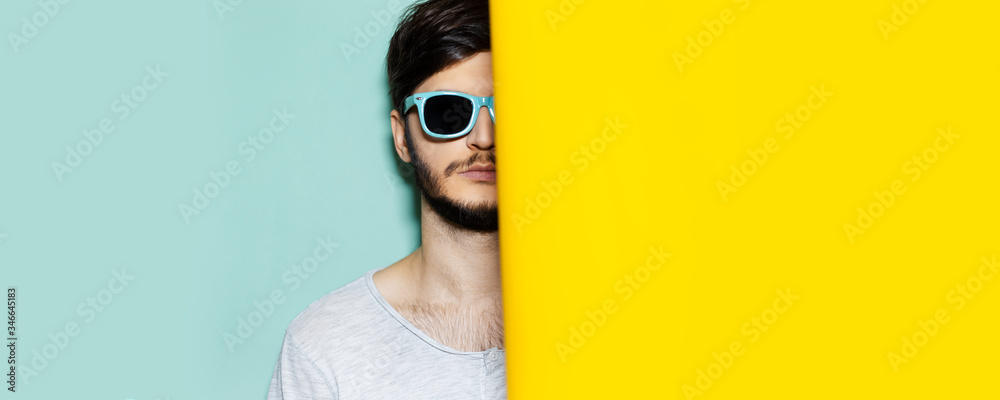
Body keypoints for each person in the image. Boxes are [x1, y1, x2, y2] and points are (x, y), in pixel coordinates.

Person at [266, 0, 505, 398]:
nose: (484, 137)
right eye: (447, 112)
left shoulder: (598, 316)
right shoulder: (324, 347)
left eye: (509, 111)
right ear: (402, 138)